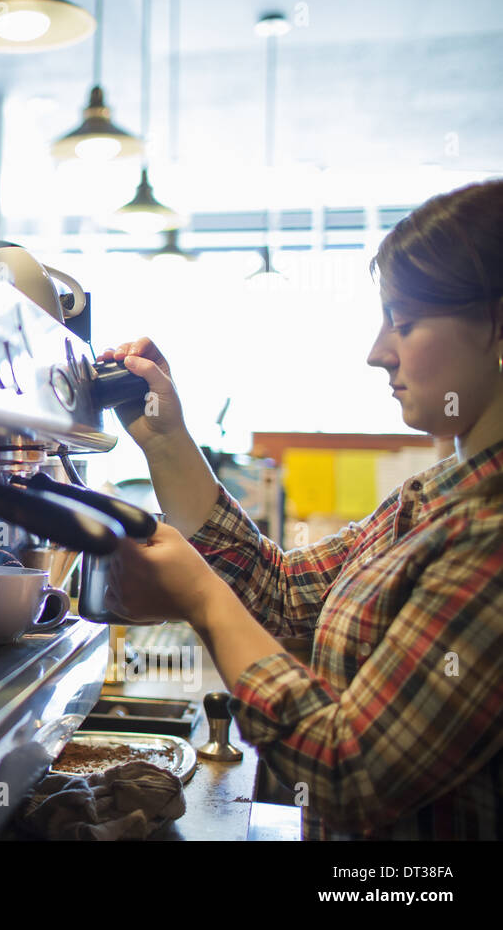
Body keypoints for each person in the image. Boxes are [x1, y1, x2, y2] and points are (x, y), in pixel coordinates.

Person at [100, 179, 503, 840]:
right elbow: (281, 593)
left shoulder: (489, 536)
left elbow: (348, 775)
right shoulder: (435, 498)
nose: (379, 353)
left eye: (403, 320)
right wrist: (167, 437)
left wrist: (201, 600)